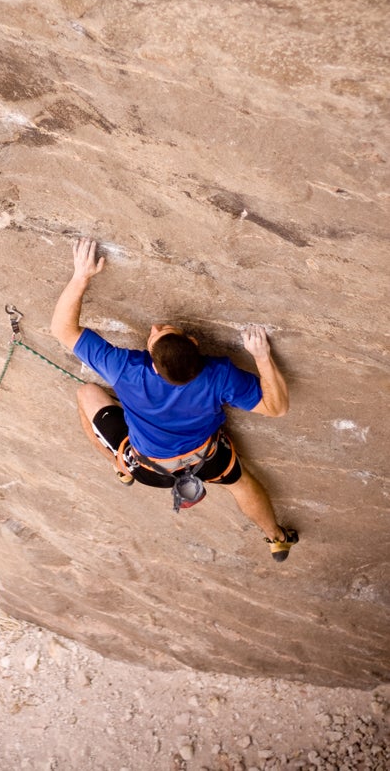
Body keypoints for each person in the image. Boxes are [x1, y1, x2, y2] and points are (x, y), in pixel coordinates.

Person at [50, 238, 298, 562]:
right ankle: (276, 537)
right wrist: (263, 357)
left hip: (149, 467)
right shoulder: (217, 375)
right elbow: (276, 407)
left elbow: (62, 329)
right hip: (206, 458)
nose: (156, 326)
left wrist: (81, 276)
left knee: (86, 393)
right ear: (194, 344)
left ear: (150, 360)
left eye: (158, 332)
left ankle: (120, 466)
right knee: (240, 483)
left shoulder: (127, 369)